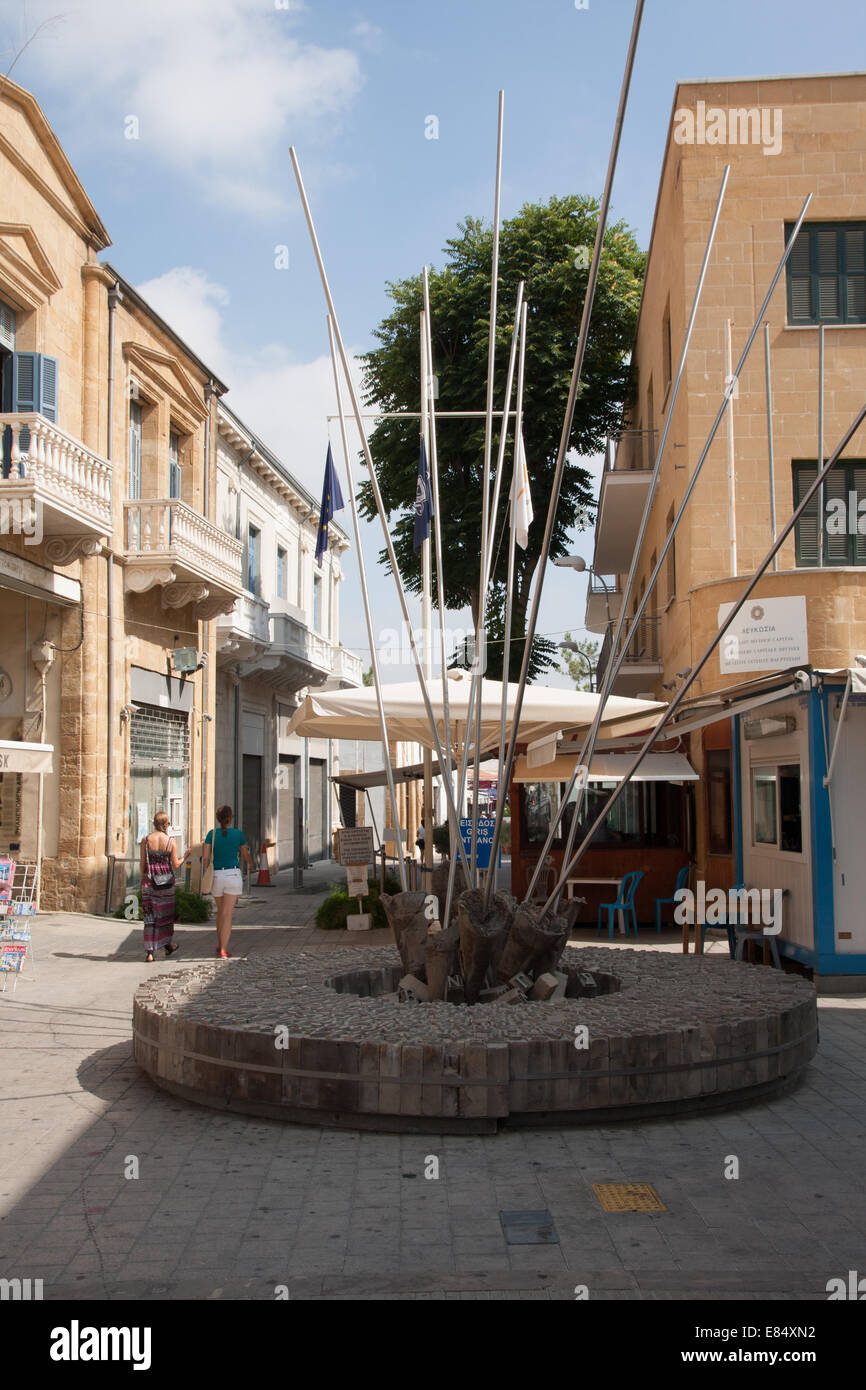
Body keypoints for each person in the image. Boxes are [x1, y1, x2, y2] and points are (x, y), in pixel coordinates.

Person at [203, 805, 253, 959]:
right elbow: (245, 853)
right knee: (227, 914)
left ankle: (220, 944)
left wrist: (207, 869)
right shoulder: (238, 834)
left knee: (220, 912)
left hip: (217, 875)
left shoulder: (212, 834)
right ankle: (224, 949)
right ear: (230, 818)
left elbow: (205, 858)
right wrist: (250, 864)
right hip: (232, 874)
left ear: (218, 819)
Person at [140, 811, 186, 963]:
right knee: (165, 916)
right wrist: (186, 855)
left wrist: (143, 879)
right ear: (166, 824)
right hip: (165, 883)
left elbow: (142, 864)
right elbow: (176, 864)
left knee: (149, 917)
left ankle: (149, 952)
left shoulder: (145, 840)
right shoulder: (170, 841)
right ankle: (167, 944)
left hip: (149, 881)